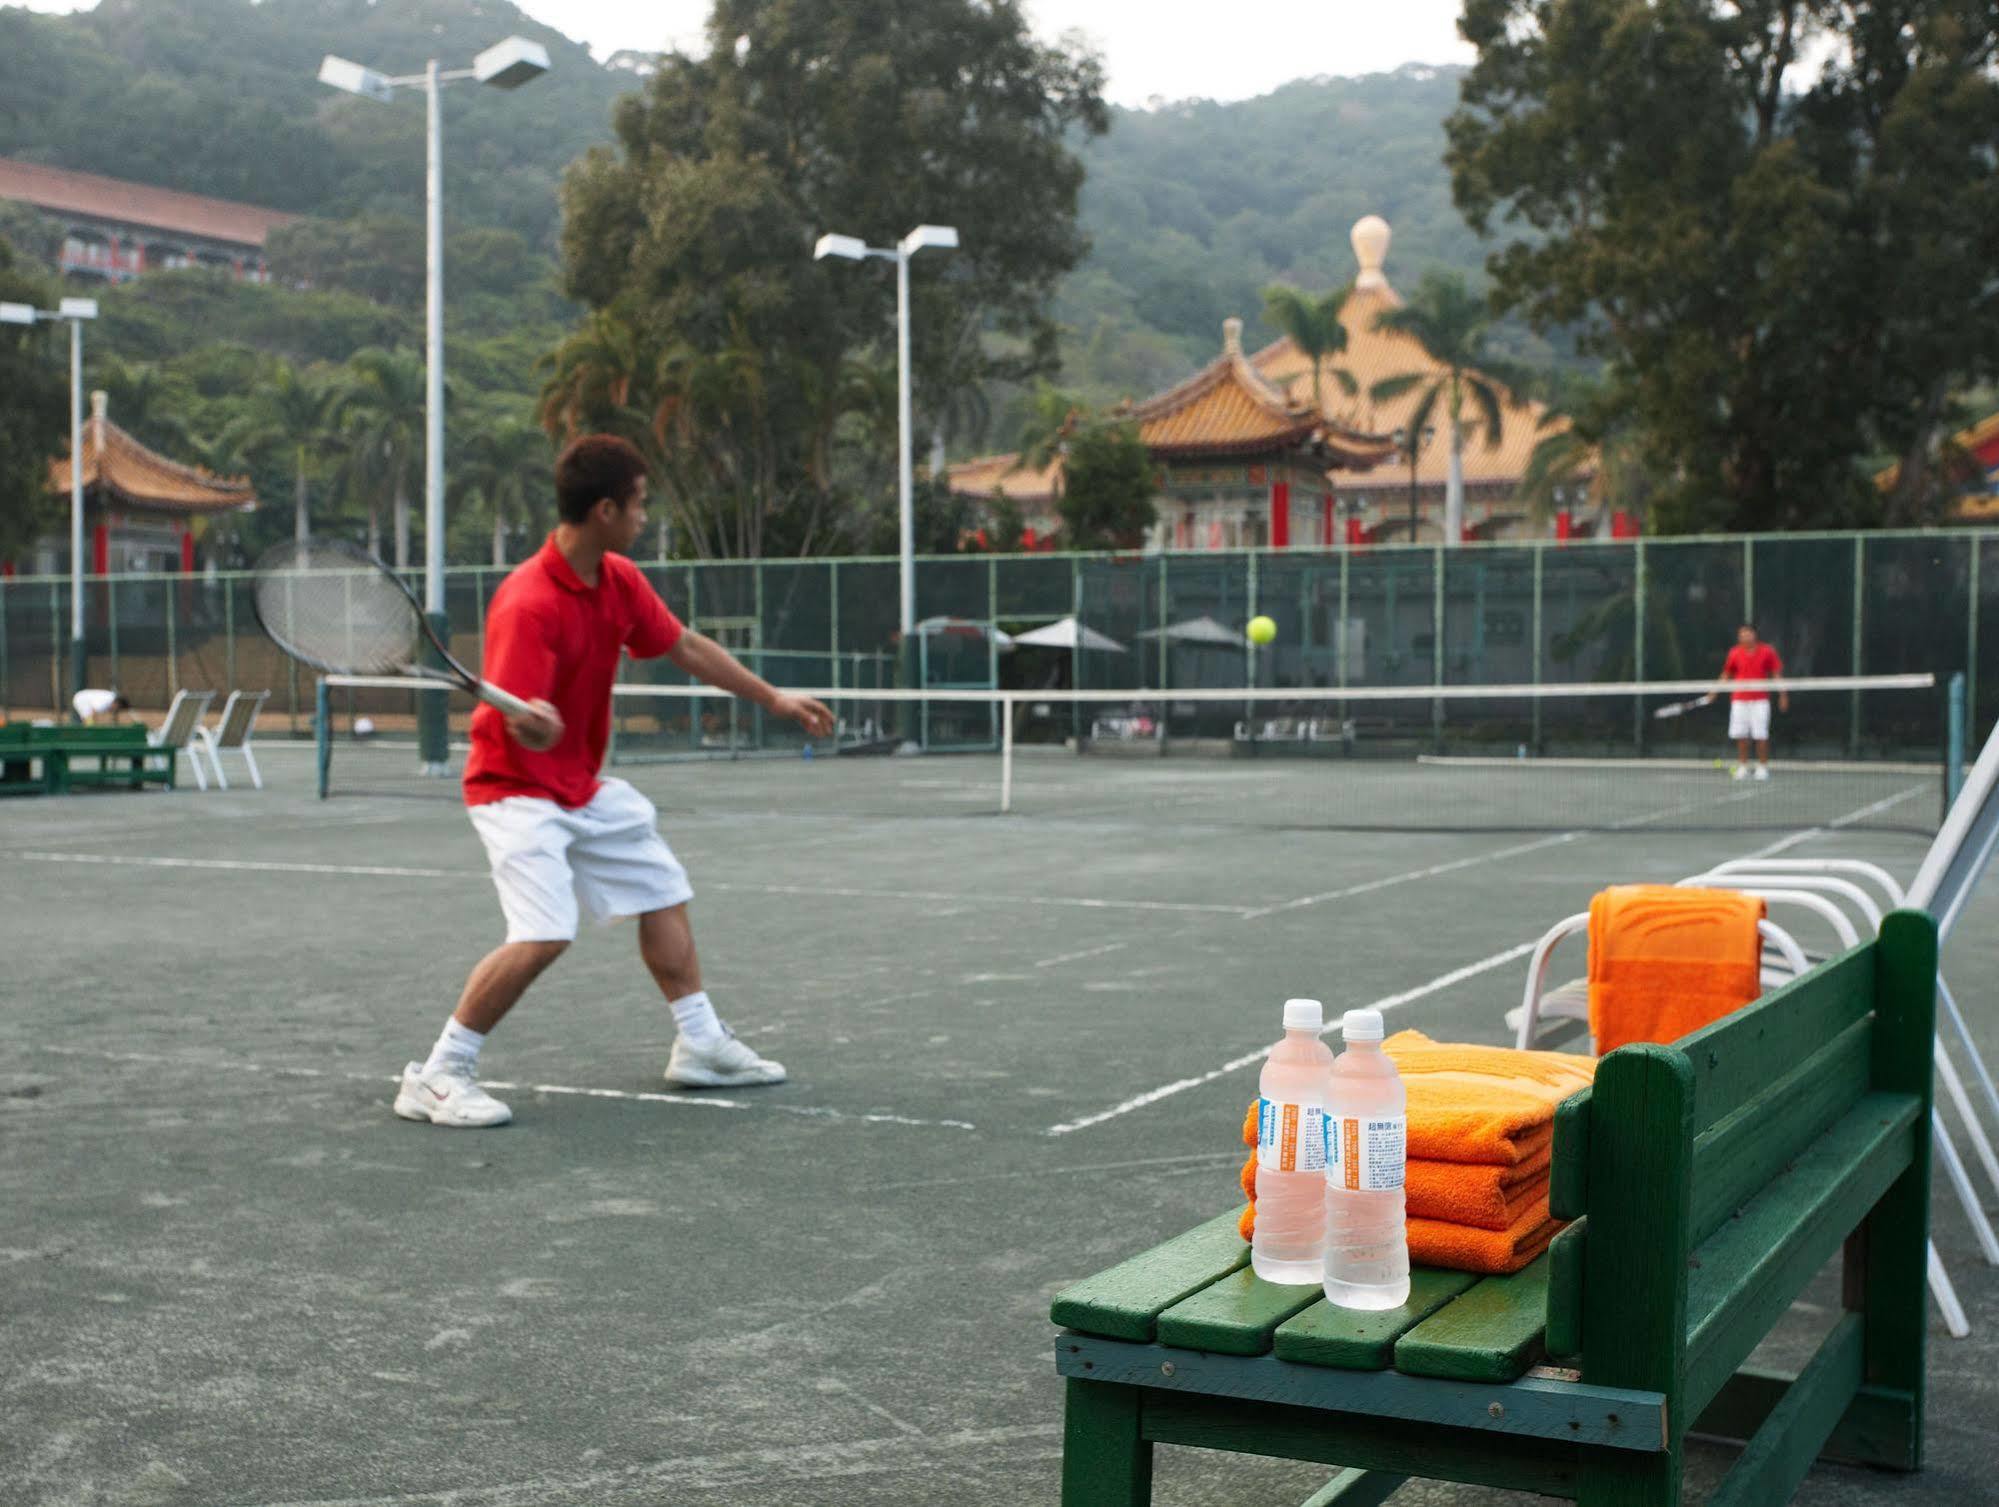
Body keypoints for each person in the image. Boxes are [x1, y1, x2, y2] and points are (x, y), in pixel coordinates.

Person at [393, 434, 835, 1129]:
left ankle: (700, 1041)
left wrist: (771, 698)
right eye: (638, 504)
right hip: (514, 791)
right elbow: (517, 728)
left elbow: (682, 645)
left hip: (579, 784)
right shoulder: (527, 603)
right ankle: (439, 1072)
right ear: (604, 509)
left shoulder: (619, 579)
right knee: (543, 932)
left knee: (662, 887)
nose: (644, 516)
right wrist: (534, 724)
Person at [1706, 623, 1788, 781]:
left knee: (1761, 735)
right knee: (1741, 736)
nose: (1744, 636)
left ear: (1754, 635)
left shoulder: (1767, 651)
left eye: (1747, 633)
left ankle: (1762, 767)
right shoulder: (1734, 653)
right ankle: (1743, 766)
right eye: (1741, 634)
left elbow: (1776, 674)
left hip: (1760, 701)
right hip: (1739, 700)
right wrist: (1714, 691)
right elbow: (1726, 674)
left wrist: (1783, 695)